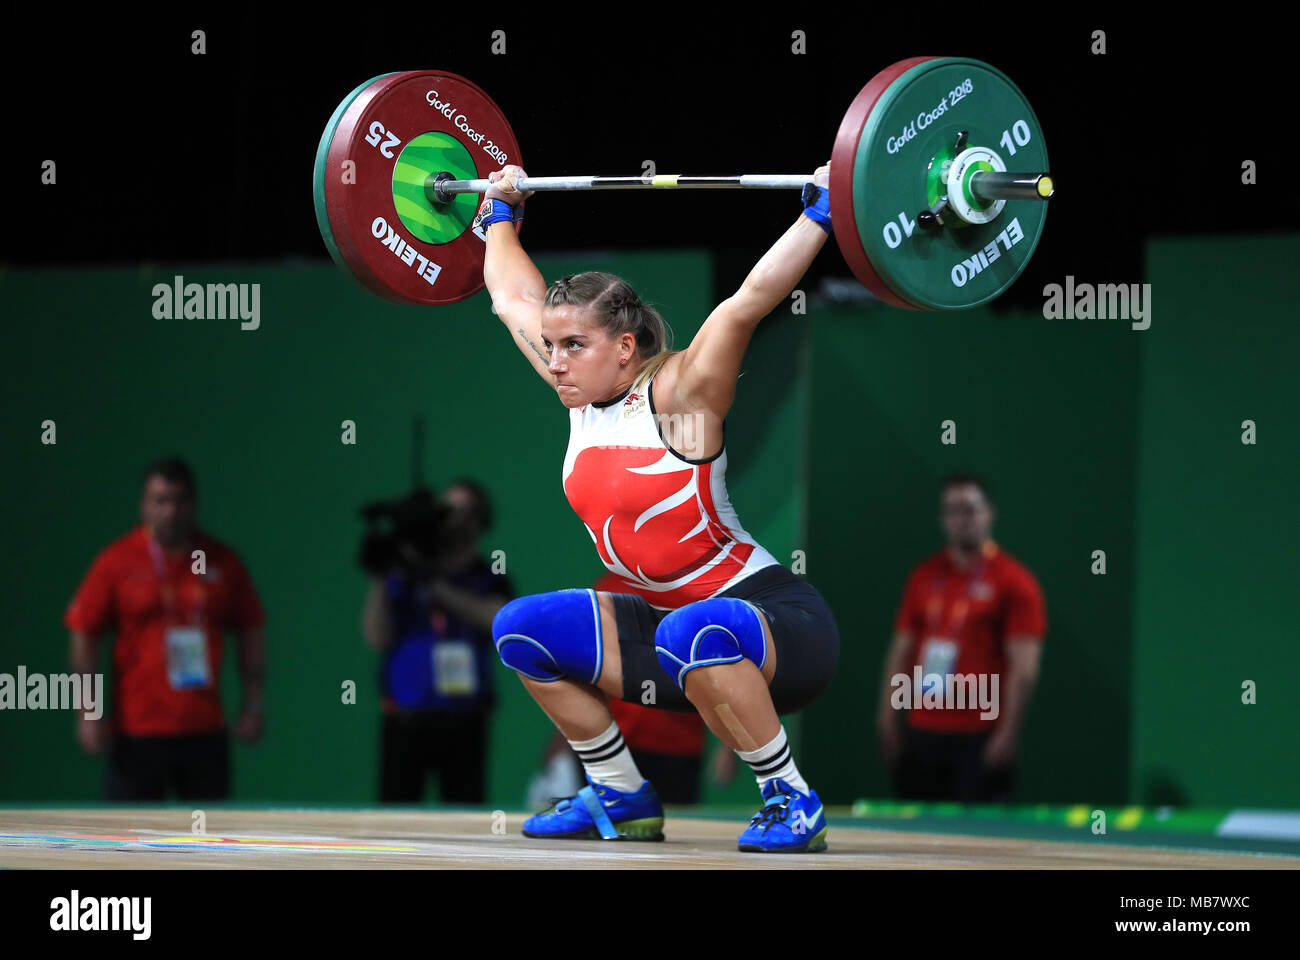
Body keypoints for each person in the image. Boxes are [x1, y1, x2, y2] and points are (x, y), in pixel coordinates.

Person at [481, 163, 841, 852]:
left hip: (776, 627)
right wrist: (499, 213)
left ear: (624, 348)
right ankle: (621, 794)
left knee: (689, 630)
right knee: (521, 628)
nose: (554, 361)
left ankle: (792, 800)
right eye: (552, 346)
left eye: (573, 346)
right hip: (670, 634)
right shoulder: (580, 400)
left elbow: (746, 302)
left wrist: (821, 212)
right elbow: (510, 297)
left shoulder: (680, 397)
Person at [64, 458, 265, 801]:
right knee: (128, 834)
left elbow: (251, 629)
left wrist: (253, 704)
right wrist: (88, 712)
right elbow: (85, 634)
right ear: (143, 505)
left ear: (194, 503)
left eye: (179, 500)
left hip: (204, 730)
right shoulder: (116, 561)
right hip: (136, 732)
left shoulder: (222, 561)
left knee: (208, 833)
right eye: (160, 500)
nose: (170, 511)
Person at [876, 474, 1046, 803]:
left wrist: (1008, 733)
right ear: (943, 518)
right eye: (952, 511)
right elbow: (900, 652)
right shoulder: (923, 576)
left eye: (969, 509)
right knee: (915, 828)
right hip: (922, 730)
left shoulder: (1016, 581)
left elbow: (1024, 669)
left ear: (989, 513)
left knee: (979, 831)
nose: (961, 519)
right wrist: (887, 719)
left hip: (980, 735)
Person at [362, 480, 514, 803]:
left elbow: (498, 620)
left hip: (465, 719)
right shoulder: (402, 577)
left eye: (462, 512)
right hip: (404, 716)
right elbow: (376, 636)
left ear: (480, 521)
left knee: (466, 815)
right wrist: (383, 572)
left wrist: (435, 585)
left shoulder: (489, 577)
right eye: (446, 510)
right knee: (394, 816)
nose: (451, 520)